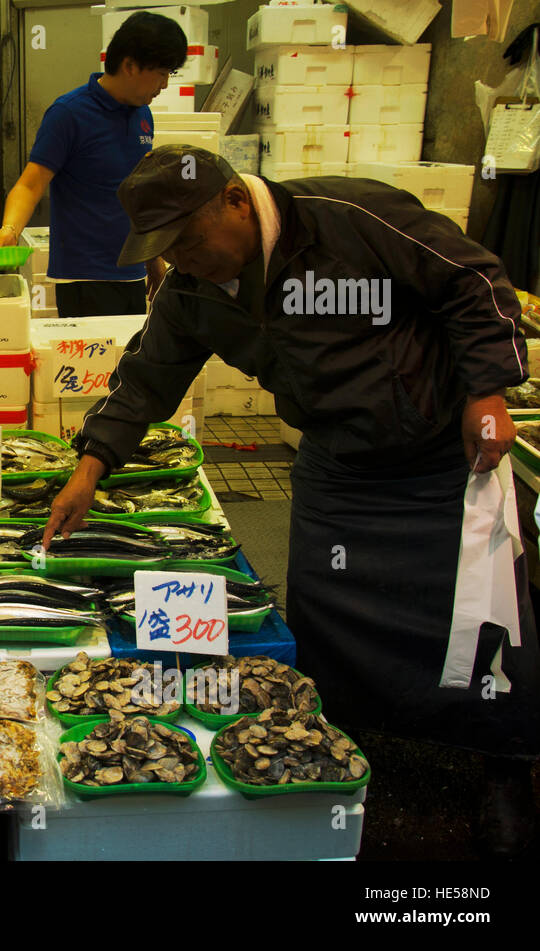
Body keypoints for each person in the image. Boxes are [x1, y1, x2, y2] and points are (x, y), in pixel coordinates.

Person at [41, 145, 539, 857]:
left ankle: (505, 769)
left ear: (237, 204)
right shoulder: (193, 289)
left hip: (440, 457)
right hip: (336, 466)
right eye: (165, 250)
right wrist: (91, 465)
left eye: (187, 239)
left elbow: (473, 279)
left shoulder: (348, 218)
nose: (181, 259)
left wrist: (489, 390)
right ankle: (331, 752)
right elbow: (146, 376)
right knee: (328, 619)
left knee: (487, 625)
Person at [0, 11, 187, 317]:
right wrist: (10, 229)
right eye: (161, 72)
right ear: (129, 65)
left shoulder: (143, 115)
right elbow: (31, 182)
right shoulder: (69, 113)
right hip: (85, 278)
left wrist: (153, 258)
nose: (166, 84)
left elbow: (139, 194)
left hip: (132, 274)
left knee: (131, 362)